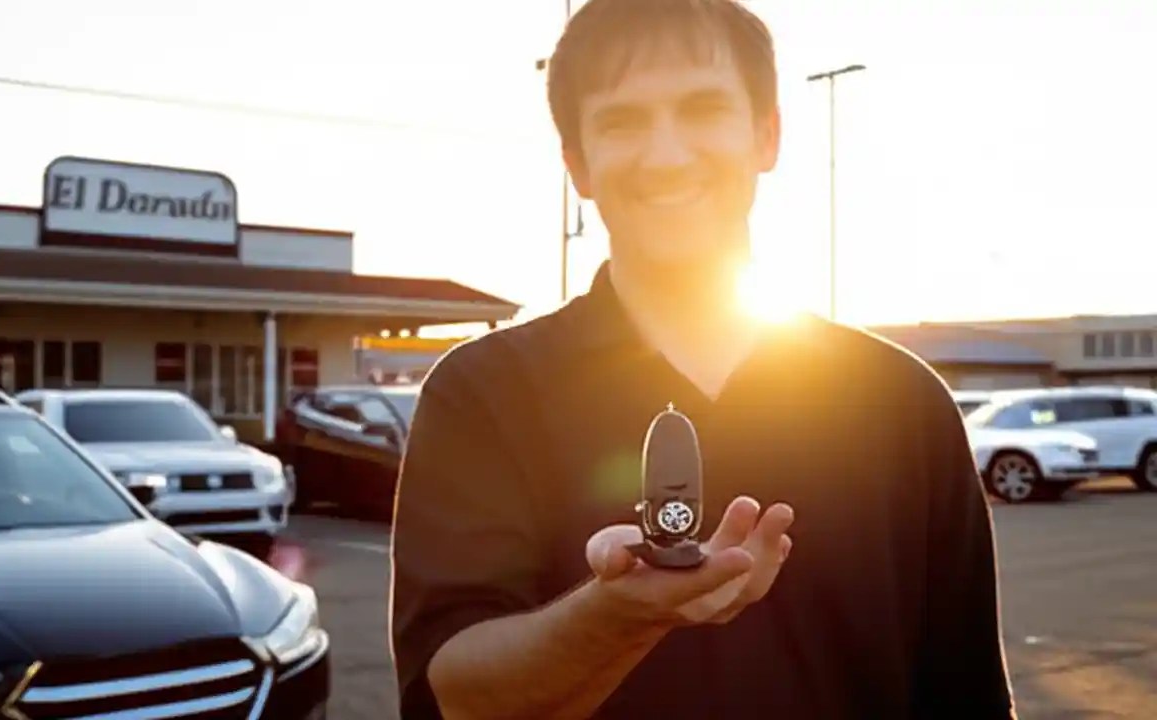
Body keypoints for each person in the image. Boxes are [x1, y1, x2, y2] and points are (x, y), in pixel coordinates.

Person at [390, 0, 1017, 717]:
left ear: (767, 134)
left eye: (701, 108)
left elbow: (967, 693)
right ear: (578, 166)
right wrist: (617, 616)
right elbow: (455, 698)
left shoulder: (902, 401)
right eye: (622, 121)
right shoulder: (482, 395)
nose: (666, 154)